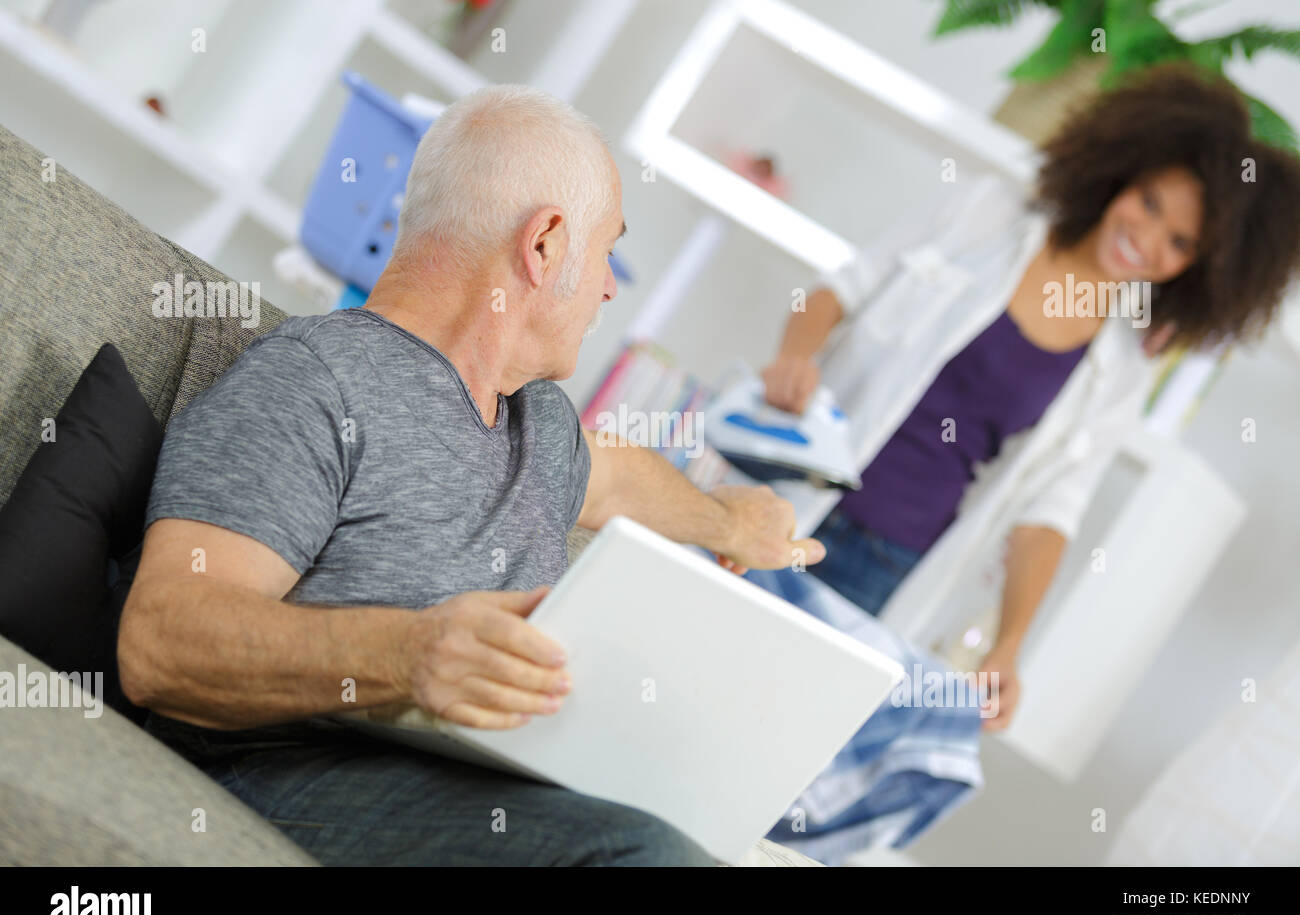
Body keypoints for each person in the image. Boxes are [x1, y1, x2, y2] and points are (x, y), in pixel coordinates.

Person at [118, 84, 823, 866]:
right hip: (290, 768)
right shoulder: (317, 381)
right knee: (648, 855)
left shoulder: (538, 422)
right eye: (607, 251)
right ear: (547, 244)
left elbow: (620, 479)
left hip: (491, 782)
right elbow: (161, 640)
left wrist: (732, 523)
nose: (610, 288)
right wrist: (408, 654)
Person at [750, 65, 1300, 860]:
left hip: (887, 564)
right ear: (1121, 171)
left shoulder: (1121, 367)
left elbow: (1053, 511)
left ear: (1202, 270)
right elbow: (842, 287)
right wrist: (793, 358)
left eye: (1180, 242)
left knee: (781, 737)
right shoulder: (990, 212)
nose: (1147, 240)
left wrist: (1009, 645)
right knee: (700, 660)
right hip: (787, 495)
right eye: (1149, 204)